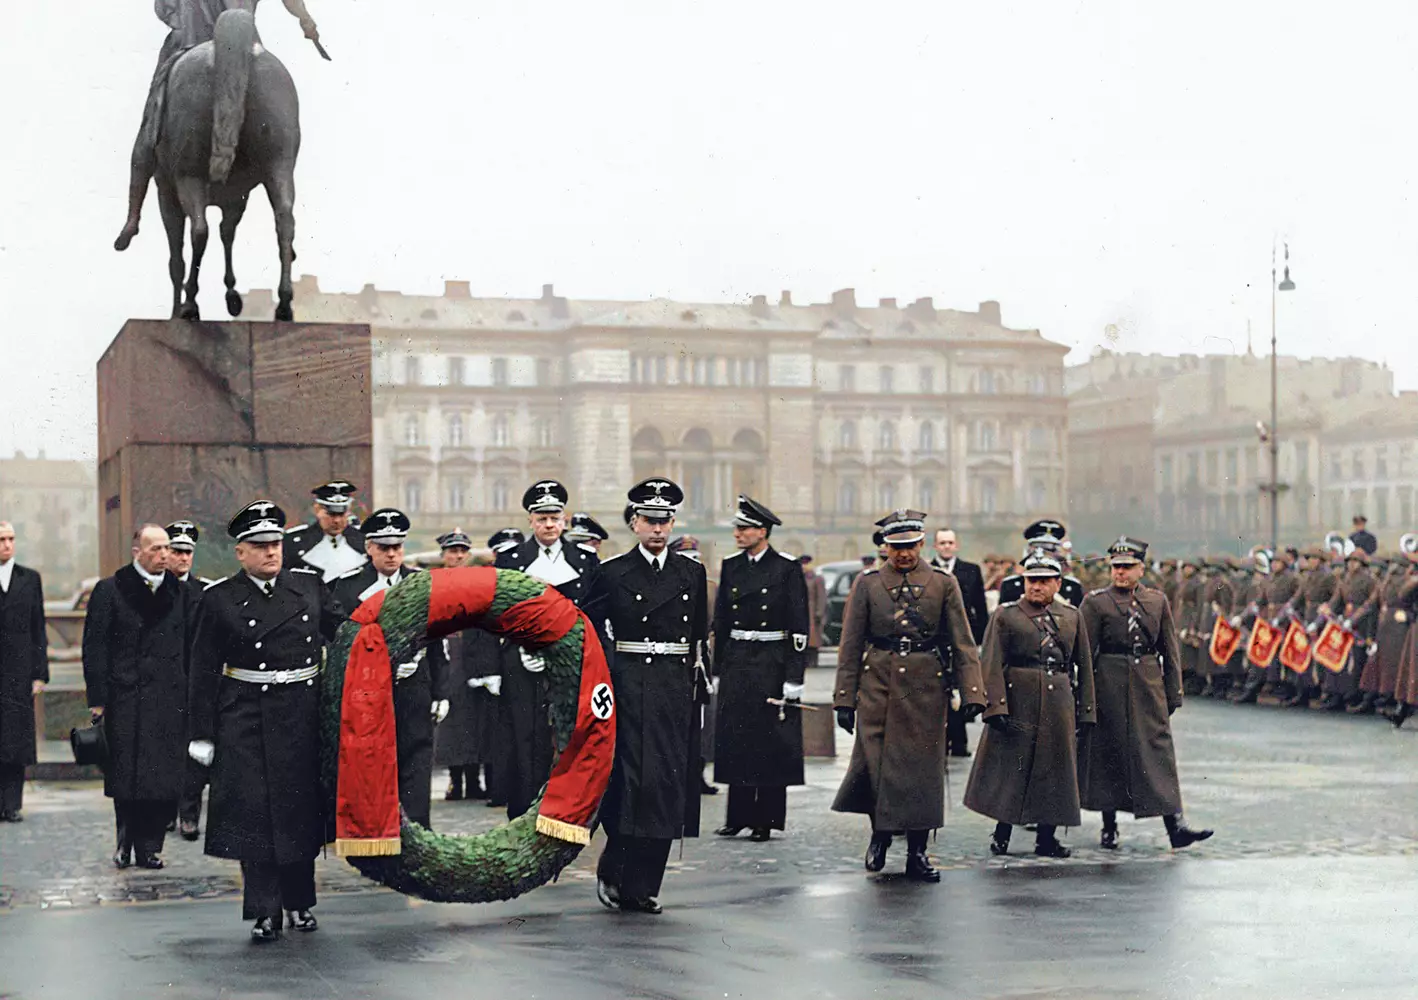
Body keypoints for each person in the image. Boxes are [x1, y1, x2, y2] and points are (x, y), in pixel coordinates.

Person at [187, 501, 341, 942]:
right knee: (254, 817)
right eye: (260, 546)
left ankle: (300, 902)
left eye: (276, 544)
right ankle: (264, 910)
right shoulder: (218, 599)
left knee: (299, 813)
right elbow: (201, 670)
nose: (271, 552)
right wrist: (201, 733)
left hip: (301, 713)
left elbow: (346, 632)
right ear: (241, 552)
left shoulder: (309, 587)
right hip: (246, 715)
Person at [831, 509, 986, 882]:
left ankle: (917, 851)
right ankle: (880, 837)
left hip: (925, 685)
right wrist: (843, 699)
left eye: (910, 546)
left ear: (921, 543)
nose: (903, 554)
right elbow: (850, 645)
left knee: (923, 773)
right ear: (885, 547)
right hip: (878, 683)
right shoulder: (867, 584)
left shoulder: (943, 584)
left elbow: (962, 642)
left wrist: (973, 693)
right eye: (895, 547)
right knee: (875, 766)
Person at [115, 0, 323, 252]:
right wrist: (305, 19)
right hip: (248, 47)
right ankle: (283, 210)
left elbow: (165, 9)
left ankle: (133, 217)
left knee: (150, 125)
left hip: (188, 42)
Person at [595, 479, 708, 914]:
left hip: (672, 688)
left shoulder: (691, 572)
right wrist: (609, 669)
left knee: (665, 784)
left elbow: (698, 634)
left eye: (665, 522)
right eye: (650, 521)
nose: (658, 529)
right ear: (634, 524)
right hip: (628, 684)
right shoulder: (613, 572)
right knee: (629, 782)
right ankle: (614, 869)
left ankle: (644, 885)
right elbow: (589, 627)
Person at [1078, 537, 1212, 851]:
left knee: (1158, 753)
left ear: (1141, 569)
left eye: (1127, 567)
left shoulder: (1157, 601)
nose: (1120, 573)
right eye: (1116, 568)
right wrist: (1085, 694)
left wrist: (1173, 691)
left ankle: (1176, 827)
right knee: (1109, 753)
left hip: (1148, 684)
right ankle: (1109, 827)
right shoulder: (1095, 602)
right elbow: (1083, 653)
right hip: (1108, 681)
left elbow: (1170, 648)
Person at [963, 550, 1095, 858]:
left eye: (1043, 581)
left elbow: (1084, 665)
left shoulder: (1072, 617)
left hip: (1058, 700)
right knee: (1013, 768)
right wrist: (995, 706)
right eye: (1031, 580)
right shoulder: (1006, 616)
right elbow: (991, 662)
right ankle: (1002, 833)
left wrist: (1086, 709)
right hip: (1018, 698)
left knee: (1055, 769)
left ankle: (1046, 838)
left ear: (1057, 583)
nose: (1036, 586)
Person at [329, 509, 449, 829]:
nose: (392, 553)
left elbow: (438, 639)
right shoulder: (347, 587)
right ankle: (376, 831)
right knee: (373, 761)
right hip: (369, 692)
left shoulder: (422, 583)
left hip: (415, 686)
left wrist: (441, 691)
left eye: (397, 546)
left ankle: (417, 829)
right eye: (384, 547)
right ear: (369, 547)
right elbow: (341, 642)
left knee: (417, 757)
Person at [82, 524, 190, 869]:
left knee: (162, 779)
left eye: (167, 549)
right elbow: (95, 648)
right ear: (137, 552)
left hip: (168, 699)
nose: (163, 556)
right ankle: (125, 840)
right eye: (156, 549)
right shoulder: (110, 590)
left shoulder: (183, 594)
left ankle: (150, 847)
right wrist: (98, 698)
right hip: (126, 698)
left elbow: (192, 647)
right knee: (126, 776)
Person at [495, 481, 605, 820]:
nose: (548, 525)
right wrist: (517, 646)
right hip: (523, 661)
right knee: (524, 737)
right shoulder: (511, 559)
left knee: (567, 735)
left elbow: (594, 613)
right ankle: (523, 814)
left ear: (565, 520)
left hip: (568, 662)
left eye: (555, 518)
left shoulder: (585, 560)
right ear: (530, 520)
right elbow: (496, 611)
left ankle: (565, 813)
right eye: (541, 518)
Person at [710, 496, 810, 842]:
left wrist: (794, 678)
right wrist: (717, 667)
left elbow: (799, 626)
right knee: (736, 737)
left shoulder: (786, 567)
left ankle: (765, 819)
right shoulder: (732, 565)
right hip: (739, 659)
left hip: (772, 660)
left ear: (763, 532)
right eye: (737, 528)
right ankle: (736, 815)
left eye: (744, 528)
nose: (737, 533)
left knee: (770, 742)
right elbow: (721, 621)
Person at [433, 529, 504, 803]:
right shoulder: (434, 582)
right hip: (448, 651)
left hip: (474, 655)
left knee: (475, 721)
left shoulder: (478, 582)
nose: (458, 556)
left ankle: (474, 780)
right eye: (452, 551)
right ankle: (455, 780)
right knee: (452, 723)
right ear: (444, 555)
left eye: (462, 551)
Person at [0, 522, 47, 823]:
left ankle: (12, 803)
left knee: (15, 741)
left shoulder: (29, 579)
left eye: (10, 539)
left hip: (18, 674)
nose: (6, 544)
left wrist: (39, 674)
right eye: (1, 539)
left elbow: (38, 628)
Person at [168, 519, 211, 840]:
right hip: (161, 686)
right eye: (176, 551)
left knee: (194, 753)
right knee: (163, 751)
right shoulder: (152, 592)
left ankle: (189, 815)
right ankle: (164, 811)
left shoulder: (205, 593)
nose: (183, 558)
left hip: (195, 685)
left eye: (188, 552)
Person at [931, 527, 989, 758]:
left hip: (963, 639)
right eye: (942, 543)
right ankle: (940, 741)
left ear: (956, 545)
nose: (946, 547)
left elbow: (980, 608)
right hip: (936, 639)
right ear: (935, 546)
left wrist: (981, 642)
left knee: (962, 688)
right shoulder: (928, 571)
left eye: (950, 543)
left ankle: (960, 741)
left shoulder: (970, 571)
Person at [671, 536, 719, 796]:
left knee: (703, 724)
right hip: (674, 661)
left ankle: (697, 774)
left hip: (701, 663)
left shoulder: (711, 588)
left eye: (695, 558)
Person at [282, 481, 367, 583]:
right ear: (317, 510)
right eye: (331, 514)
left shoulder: (364, 541)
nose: (337, 521)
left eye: (341, 514)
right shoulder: (296, 543)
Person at [997, 521, 1086, 607]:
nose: (1042, 554)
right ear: (1028, 551)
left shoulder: (1072, 586)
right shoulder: (1011, 585)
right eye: (1037, 548)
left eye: (1050, 550)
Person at [800, 555, 830, 670]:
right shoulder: (799, 578)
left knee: (813, 639)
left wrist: (819, 613)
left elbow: (822, 597)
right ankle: (805, 660)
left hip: (813, 613)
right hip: (802, 612)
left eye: (806, 564)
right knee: (804, 638)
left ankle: (813, 660)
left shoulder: (817, 578)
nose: (804, 566)